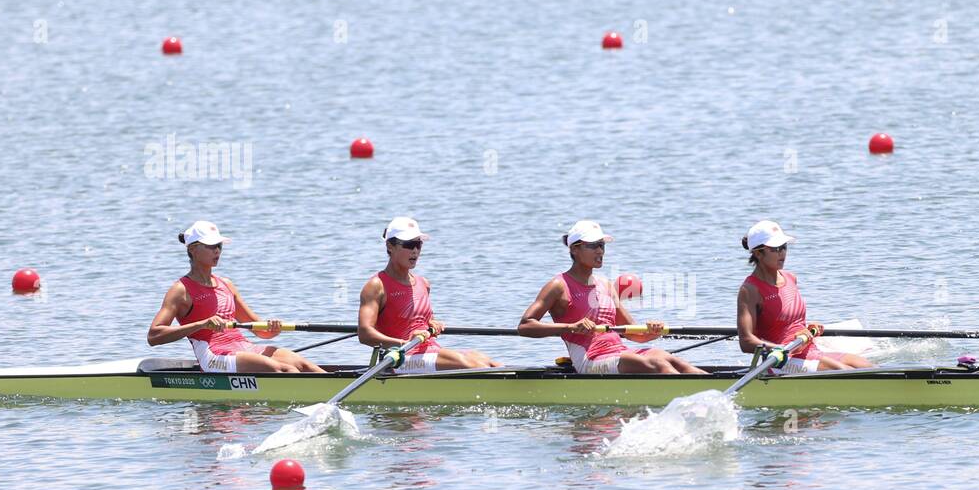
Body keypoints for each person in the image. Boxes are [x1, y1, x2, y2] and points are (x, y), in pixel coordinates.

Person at [518, 220, 706, 374]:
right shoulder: (558, 285)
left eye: (602, 245)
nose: (600, 251)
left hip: (619, 352)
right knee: (659, 365)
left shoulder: (606, 285)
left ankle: (718, 396)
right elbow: (525, 326)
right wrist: (571, 327)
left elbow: (634, 333)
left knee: (672, 360)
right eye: (593, 246)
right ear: (574, 249)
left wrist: (652, 331)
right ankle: (695, 405)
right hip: (590, 359)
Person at [147, 221, 325, 373]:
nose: (217, 251)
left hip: (242, 346)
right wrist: (202, 324)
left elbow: (259, 330)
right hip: (213, 355)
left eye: (219, 246)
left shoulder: (226, 284)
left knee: (304, 365)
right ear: (193, 249)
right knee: (284, 370)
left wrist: (273, 329)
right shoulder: (180, 290)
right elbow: (154, 336)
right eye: (211, 246)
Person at [357, 217, 500, 371]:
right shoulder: (376, 285)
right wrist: (403, 343)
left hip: (427, 352)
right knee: (471, 364)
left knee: (487, 361)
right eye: (409, 244)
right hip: (399, 359)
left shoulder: (423, 283)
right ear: (390, 246)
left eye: (418, 244)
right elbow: (365, 334)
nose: (415, 251)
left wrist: (433, 323)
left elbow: (420, 321)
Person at [736, 220, 872, 372]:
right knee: (842, 370)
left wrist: (808, 328)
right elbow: (746, 342)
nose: (782, 253)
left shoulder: (790, 278)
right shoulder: (750, 290)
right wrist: (781, 349)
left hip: (808, 351)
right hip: (779, 362)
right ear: (758, 253)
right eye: (776, 249)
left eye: (784, 247)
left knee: (866, 365)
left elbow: (789, 323)